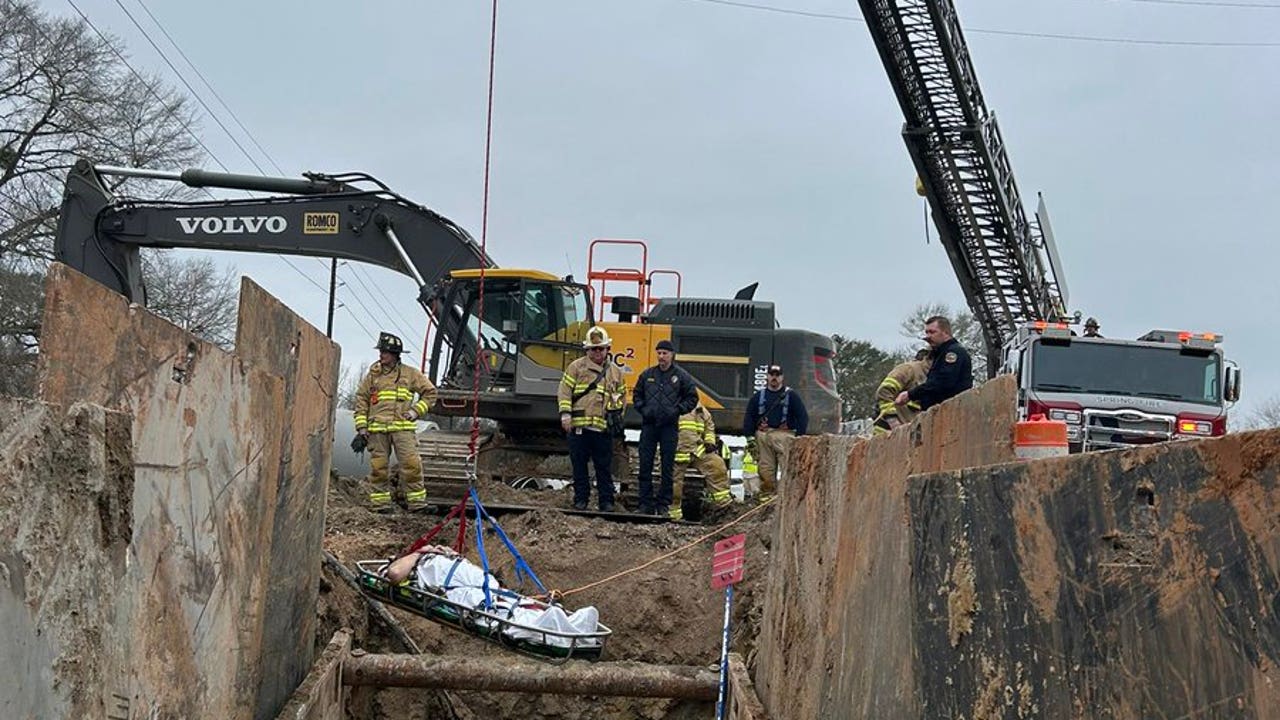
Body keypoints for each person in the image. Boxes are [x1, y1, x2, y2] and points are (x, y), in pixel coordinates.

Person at [354, 332, 437, 512]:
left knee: (412, 465)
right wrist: (361, 427)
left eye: (385, 352)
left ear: (395, 354)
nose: (381, 355)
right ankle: (380, 504)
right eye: (381, 351)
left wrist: (415, 411)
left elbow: (430, 393)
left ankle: (417, 504)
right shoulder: (372, 376)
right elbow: (361, 399)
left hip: (402, 429)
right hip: (377, 430)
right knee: (378, 468)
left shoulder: (410, 374)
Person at [558, 326, 627, 512]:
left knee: (603, 468)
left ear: (607, 349)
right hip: (579, 428)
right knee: (579, 467)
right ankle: (581, 500)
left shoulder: (616, 373)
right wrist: (565, 414)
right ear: (587, 350)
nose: (597, 352)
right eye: (593, 349)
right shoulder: (576, 367)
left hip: (602, 429)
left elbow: (621, 398)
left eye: (601, 348)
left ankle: (606, 502)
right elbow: (564, 392)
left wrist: (617, 416)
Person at [632, 339, 698, 516]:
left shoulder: (681, 376)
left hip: (669, 427)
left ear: (672, 355)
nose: (661, 357)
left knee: (667, 467)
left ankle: (663, 505)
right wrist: (644, 410)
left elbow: (692, 398)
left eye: (665, 353)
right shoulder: (647, 375)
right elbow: (636, 395)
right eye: (659, 353)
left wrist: (677, 410)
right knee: (645, 465)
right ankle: (645, 504)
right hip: (649, 426)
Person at [742, 364, 808, 503]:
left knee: (788, 468)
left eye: (777, 375)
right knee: (765, 470)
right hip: (764, 437)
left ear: (782, 378)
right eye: (772, 375)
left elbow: (803, 417)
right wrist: (749, 437)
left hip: (784, 437)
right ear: (767, 377)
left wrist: (799, 438)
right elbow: (749, 417)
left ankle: (788, 499)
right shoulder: (758, 397)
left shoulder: (792, 396)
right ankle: (768, 500)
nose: (774, 378)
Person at [671, 403, 735, 522]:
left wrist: (709, 441)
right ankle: (673, 514)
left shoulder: (700, 410)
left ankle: (724, 505)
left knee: (717, 466)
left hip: (698, 450)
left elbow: (709, 426)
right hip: (676, 452)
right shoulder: (670, 405)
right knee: (674, 485)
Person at [895, 315, 972, 412]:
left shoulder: (953, 353)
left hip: (951, 411)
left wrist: (911, 394)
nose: (927, 337)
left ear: (945, 333)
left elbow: (943, 382)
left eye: (932, 332)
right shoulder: (940, 354)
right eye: (926, 332)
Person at [873, 348, 931, 435]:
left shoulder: (938, 378)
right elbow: (884, 391)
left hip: (912, 434)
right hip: (887, 433)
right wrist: (893, 422)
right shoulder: (909, 369)